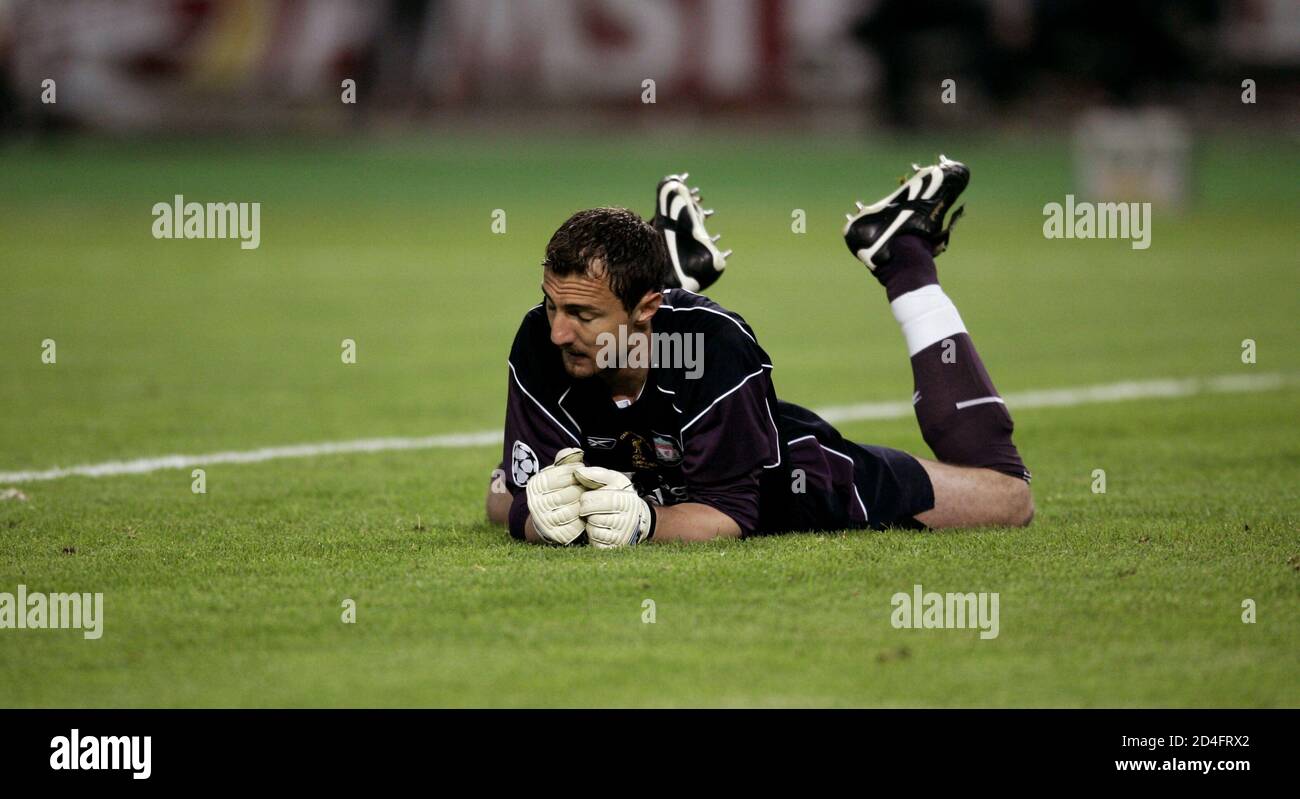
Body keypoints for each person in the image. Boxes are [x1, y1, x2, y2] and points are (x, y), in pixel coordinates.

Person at [486, 157, 1032, 547]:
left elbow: (729, 516)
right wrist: (535, 518)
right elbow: (508, 497)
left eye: (582, 316)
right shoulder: (542, 338)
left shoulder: (715, 347)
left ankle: (903, 252)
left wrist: (644, 525)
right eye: (553, 306)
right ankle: (672, 264)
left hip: (798, 485)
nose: (558, 332)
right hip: (658, 457)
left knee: (1008, 499)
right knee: (508, 497)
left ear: (645, 308)